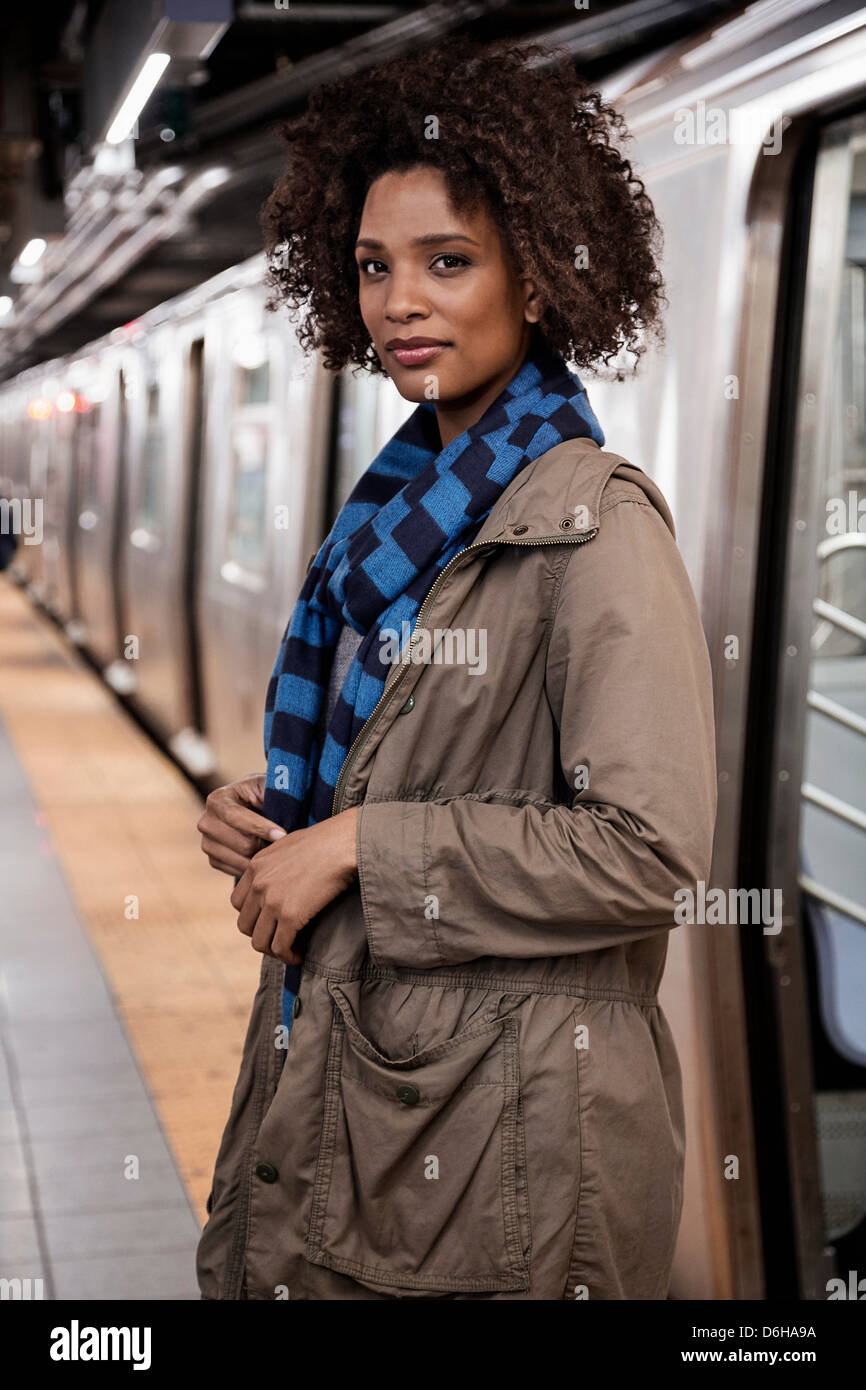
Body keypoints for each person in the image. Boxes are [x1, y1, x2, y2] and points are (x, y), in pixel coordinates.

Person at [195, 35, 717, 1301]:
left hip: (512, 1153)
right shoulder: (392, 507)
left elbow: (647, 852)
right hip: (369, 1094)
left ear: (536, 280)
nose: (398, 304)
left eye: (446, 262)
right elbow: (386, 761)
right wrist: (277, 825)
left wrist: (365, 843)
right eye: (373, 268)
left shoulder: (593, 521)